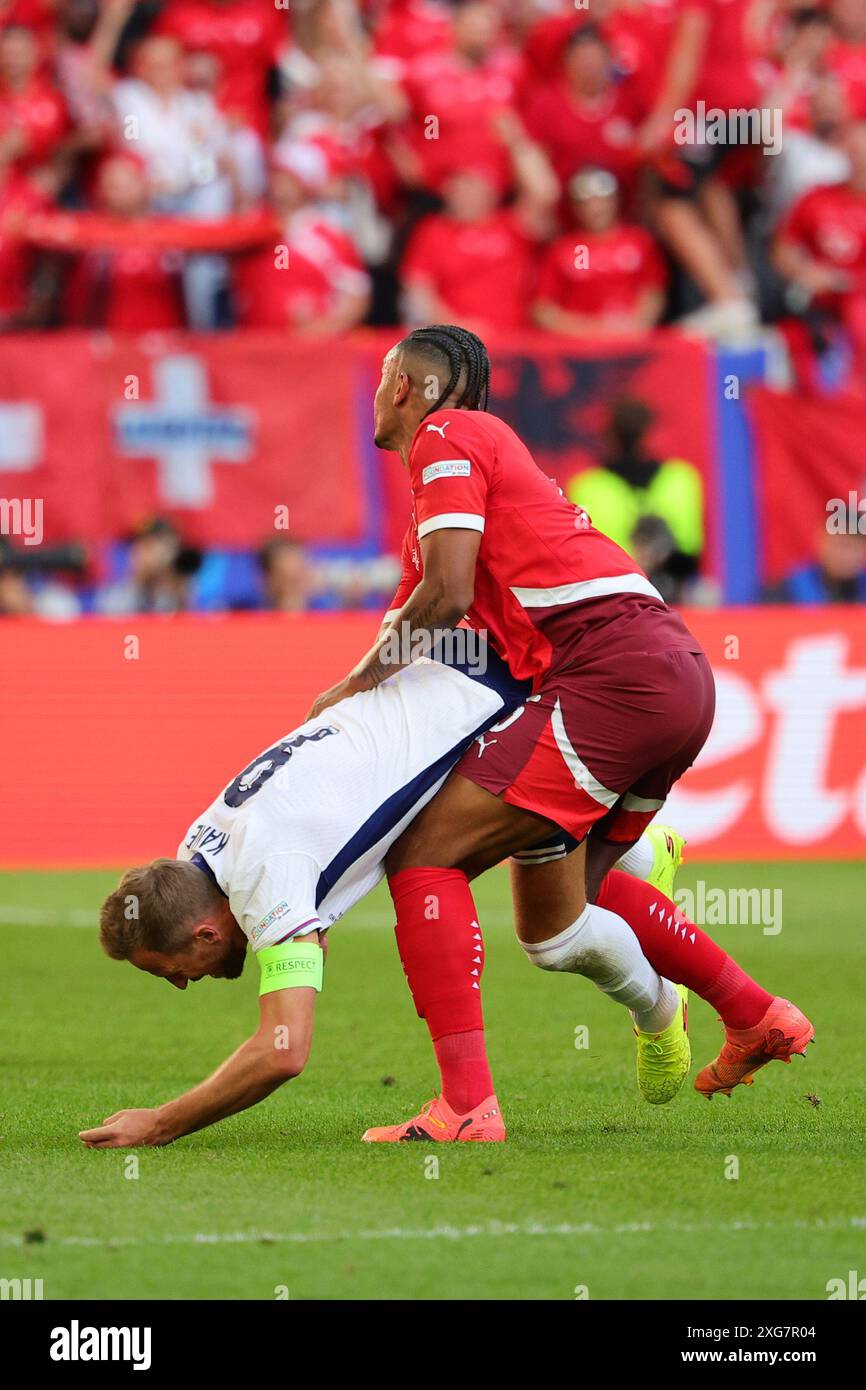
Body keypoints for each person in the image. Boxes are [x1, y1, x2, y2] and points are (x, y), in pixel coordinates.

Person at [307, 324, 814, 1140]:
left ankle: (468, 1107)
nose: (375, 394)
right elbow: (415, 619)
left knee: (426, 858)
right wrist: (363, 703)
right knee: (569, 906)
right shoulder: (450, 485)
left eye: (380, 380)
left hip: (608, 674)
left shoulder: (448, 435)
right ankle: (756, 1014)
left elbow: (440, 601)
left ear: (406, 384)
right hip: (671, 675)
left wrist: (349, 687)